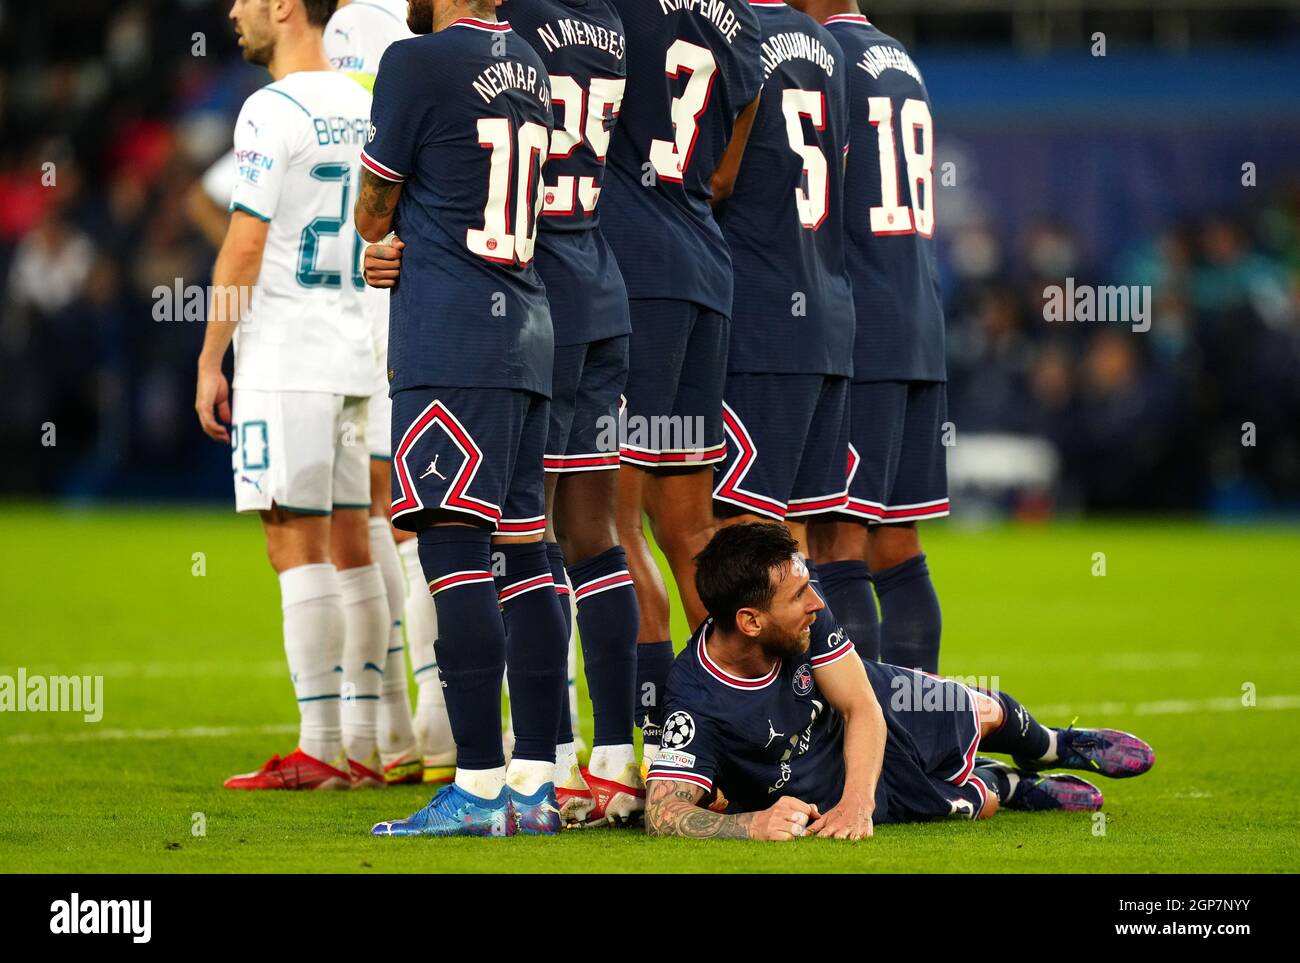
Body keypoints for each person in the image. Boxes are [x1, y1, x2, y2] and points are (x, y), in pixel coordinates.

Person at [356, 0, 564, 837]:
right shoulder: (533, 68)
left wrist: (386, 237)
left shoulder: (415, 61)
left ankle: (476, 787)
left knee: (452, 552)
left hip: (451, 343)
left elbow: (374, 208)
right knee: (527, 553)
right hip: (529, 330)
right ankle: (536, 785)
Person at [644, 523, 1155, 840]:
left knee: (980, 709)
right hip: (828, 783)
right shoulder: (694, 701)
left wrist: (858, 803)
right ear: (751, 622)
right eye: (800, 595)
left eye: (808, 586)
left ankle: (1052, 745)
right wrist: (748, 824)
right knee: (979, 804)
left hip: (877, 707)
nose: (817, 603)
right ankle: (1011, 784)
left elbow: (863, 707)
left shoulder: (800, 607)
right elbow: (664, 812)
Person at [194, 0, 388, 790]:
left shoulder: (269, 109)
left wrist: (212, 359)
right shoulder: (369, 102)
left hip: (284, 357)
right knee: (354, 544)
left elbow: (243, 243)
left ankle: (317, 746)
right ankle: (367, 746)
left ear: (285, 8)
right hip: (354, 355)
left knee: (291, 544)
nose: (233, 11)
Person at [602, 0, 765, 772]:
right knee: (692, 533)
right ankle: (739, 730)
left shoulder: (616, 9)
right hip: (706, 266)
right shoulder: (742, 23)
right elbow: (726, 173)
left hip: (634, 271)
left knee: (612, 526)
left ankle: (643, 744)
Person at [807, 1, 951, 672]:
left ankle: (858, 736)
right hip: (920, 318)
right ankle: (921, 739)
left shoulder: (823, 59)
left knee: (838, 540)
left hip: (862, 326)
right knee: (897, 543)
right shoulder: (901, 60)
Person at [712, 1, 855, 559]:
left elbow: (715, 177)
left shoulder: (733, 34)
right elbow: (836, 171)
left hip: (763, 313)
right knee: (798, 538)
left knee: (745, 533)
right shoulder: (830, 49)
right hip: (826, 312)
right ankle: (830, 651)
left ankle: (791, 650)